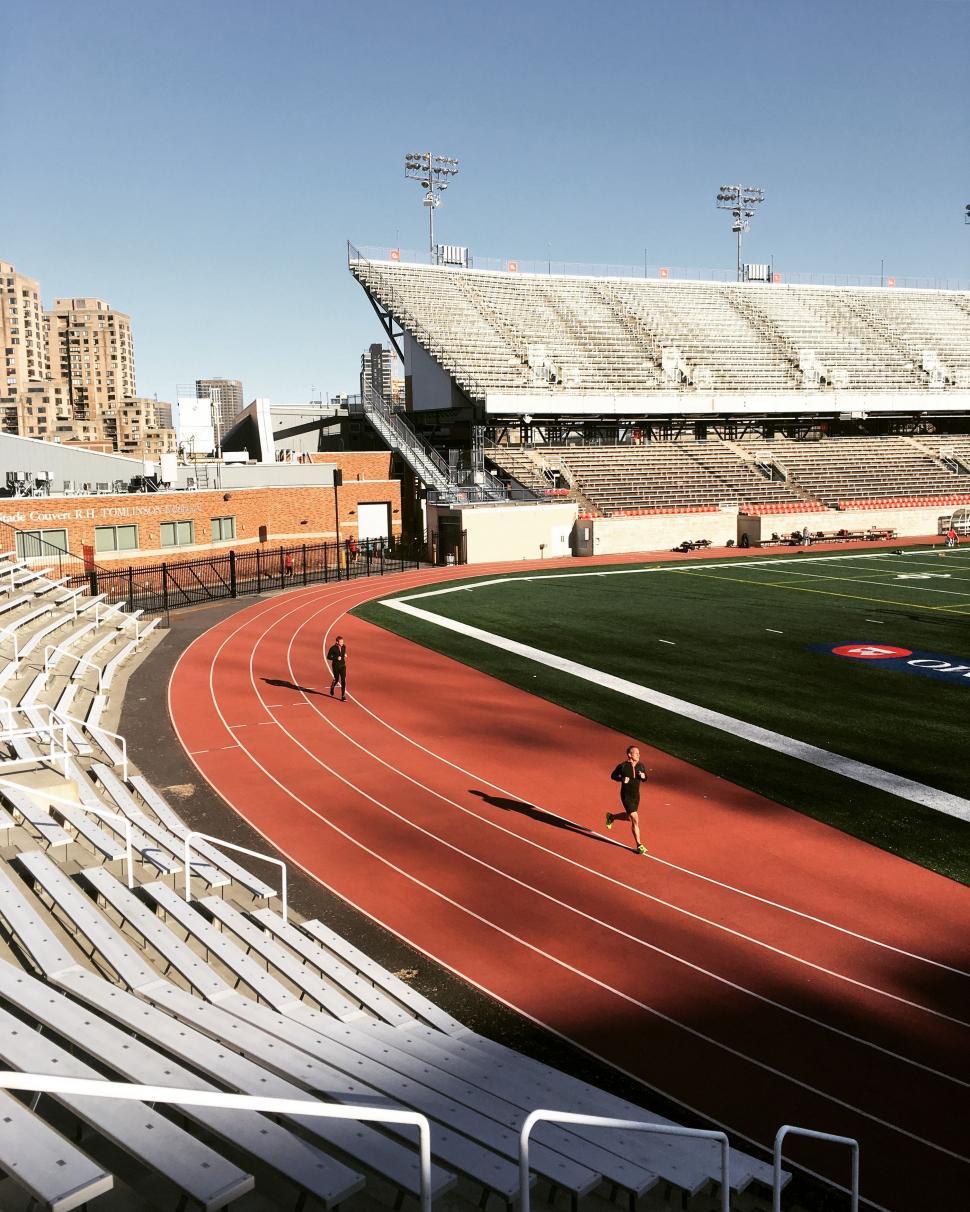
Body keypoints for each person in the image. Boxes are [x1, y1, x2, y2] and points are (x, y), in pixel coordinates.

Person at [606, 744, 648, 854]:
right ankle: (639, 845)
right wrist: (622, 778)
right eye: (636, 753)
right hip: (626, 795)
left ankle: (612, 817)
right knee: (635, 818)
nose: (638, 755)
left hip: (636, 796)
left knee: (629, 817)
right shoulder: (623, 766)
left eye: (639, 753)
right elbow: (613, 776)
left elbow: (645, 778)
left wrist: (644, 777)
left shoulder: (641, 766)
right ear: (629, 754)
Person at [327, 635, 348, 700]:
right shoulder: (333, 648)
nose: (342, 643)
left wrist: (344, 654)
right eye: (341, 642)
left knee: (343, 680)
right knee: (336, 679)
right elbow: (328, 657)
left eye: (342, 642)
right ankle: (332, 686)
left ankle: (343, 696)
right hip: (336, 666)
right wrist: (336, 658)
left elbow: (343, 653)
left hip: (343, 666)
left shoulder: (344, 646)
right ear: (337, 642)